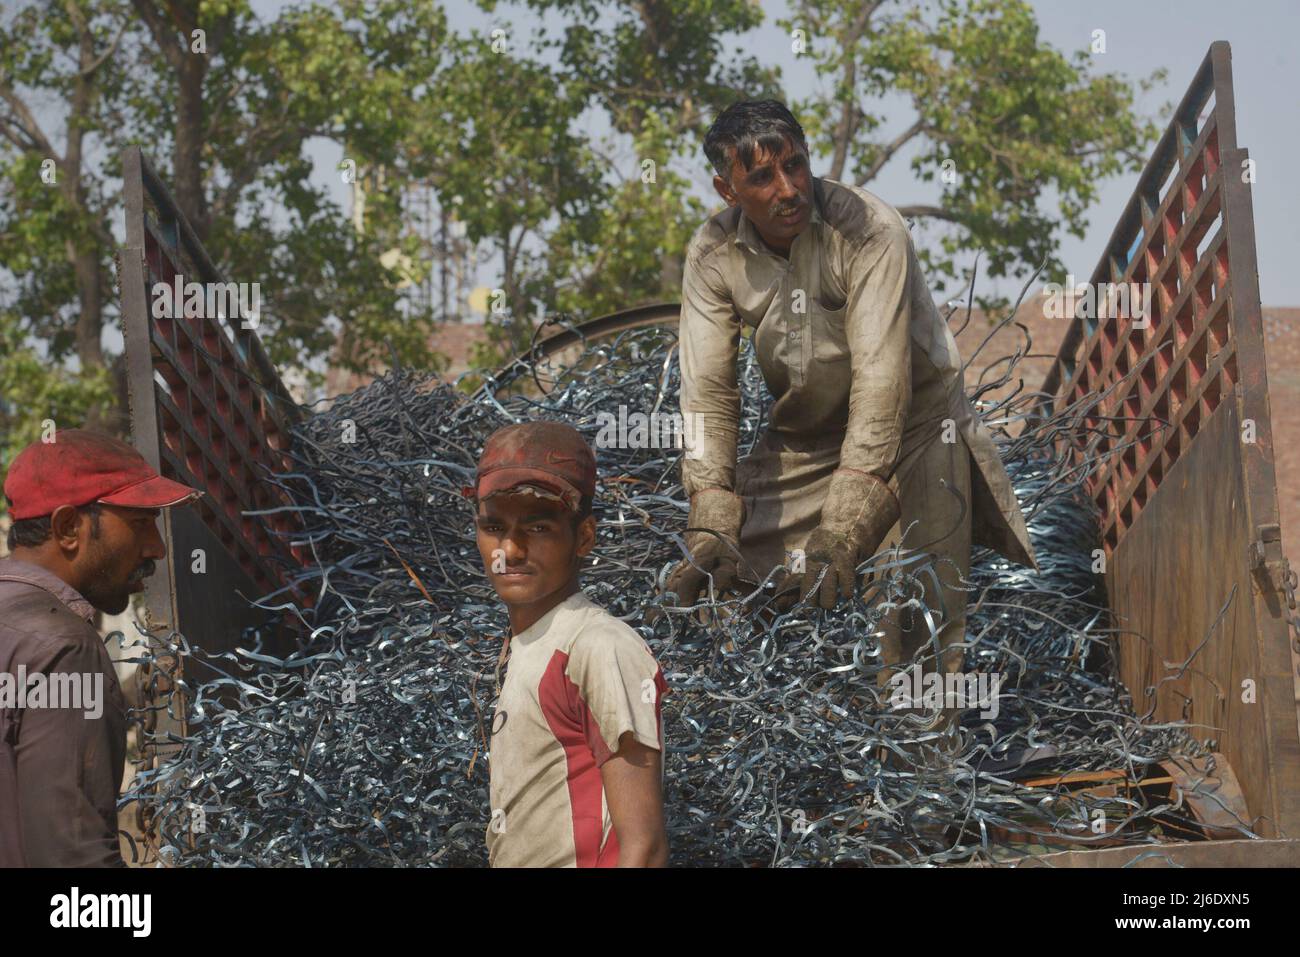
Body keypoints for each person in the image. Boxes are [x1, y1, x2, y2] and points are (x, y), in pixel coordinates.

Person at [667, 99, 1037, 729]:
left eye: (796, 165)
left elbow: (881, 382)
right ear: (726, 188)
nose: (788, 190)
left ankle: (924, 793)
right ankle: (772, 764)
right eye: (762, 178)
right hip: (805, 438)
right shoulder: (712, 254)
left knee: (913, 613)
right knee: (732, 580)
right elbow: (707, 391)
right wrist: (709, 508)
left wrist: (844, 525)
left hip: (918, 430)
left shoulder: (869, 230)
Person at [466, 421, 669, 867]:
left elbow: (645, 848)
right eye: (494, 526)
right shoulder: (524, 649)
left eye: (538, 528)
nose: (510, 550)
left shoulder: (597, 646)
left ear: (584, 537)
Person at [0, 429, 201, 867]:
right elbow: (73, 864)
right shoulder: (63, 650)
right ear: (69, 528)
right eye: (139, 524)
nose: (157, 548)